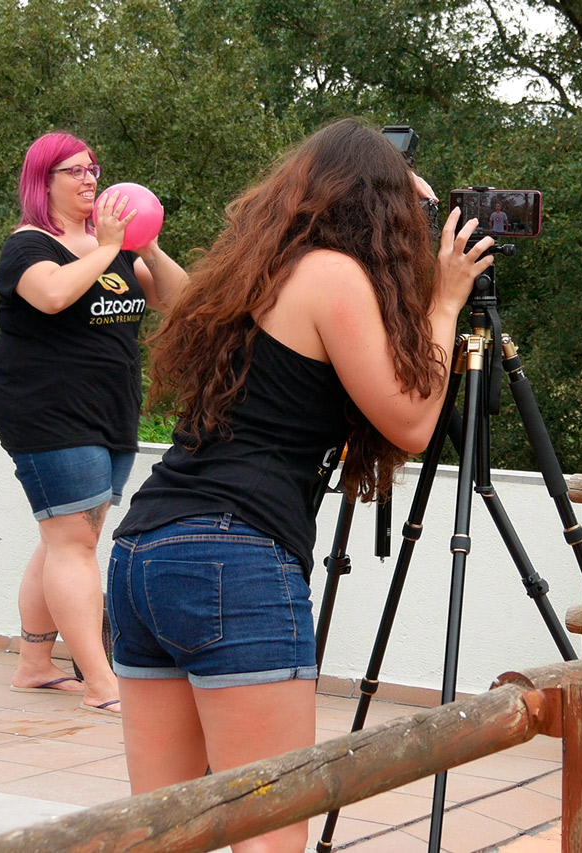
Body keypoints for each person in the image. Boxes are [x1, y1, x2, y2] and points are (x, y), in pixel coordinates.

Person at [106, 118, 495, 852]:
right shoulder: (332, 274)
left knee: (162, 832)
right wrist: (445, 300)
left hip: (144, 551)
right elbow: (412, 422)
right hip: (235, 556)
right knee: (269, 836)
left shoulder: (255, 270)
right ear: (380, 211)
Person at [0, 131, 188, 716]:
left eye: (93, 169)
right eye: (74, 171)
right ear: (42, 181)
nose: (89, 179)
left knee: (64, 539)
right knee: (72, 542)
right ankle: (102, 681)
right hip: (47, 412)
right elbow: (51, 296)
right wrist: (107, 247)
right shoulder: (28, 246)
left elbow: (180, 301)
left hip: (109, 412)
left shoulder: (117, 248)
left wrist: (146, 248)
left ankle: (33, 664)